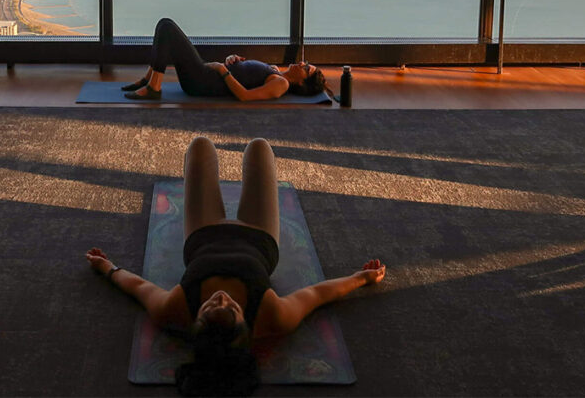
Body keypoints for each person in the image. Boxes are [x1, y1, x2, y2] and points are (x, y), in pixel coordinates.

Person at [86, 136, 385, 395]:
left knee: (200, 146)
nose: (221, 298)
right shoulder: (272, 315)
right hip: (259, 235)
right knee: (259, 148)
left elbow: (139, 288)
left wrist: (107, 268)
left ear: (196, 321)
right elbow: (317, 295)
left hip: (204, 233)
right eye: (232, 308)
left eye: (209, 307)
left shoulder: (176, 308)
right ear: (245, 325)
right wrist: (361, 278)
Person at [120, 17, 328, 101]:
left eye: (306, 68)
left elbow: (245, 96)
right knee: (164, 26)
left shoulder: (281, 84)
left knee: (167, 26)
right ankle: (149, 80)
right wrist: (232, 59)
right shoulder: (275, 70)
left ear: (302, 82)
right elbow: (246, 75)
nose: (302, 63)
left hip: (201, 82)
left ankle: (154, 87)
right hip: (206, 75)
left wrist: (223, 70)